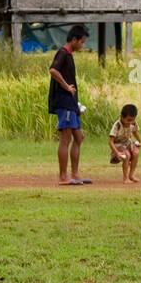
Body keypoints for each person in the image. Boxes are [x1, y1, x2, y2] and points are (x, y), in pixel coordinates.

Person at [49, 25, 90, 186]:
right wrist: (66, 87)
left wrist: (76, 104)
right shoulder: (63, 53)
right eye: (82, 42)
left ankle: (74, 173)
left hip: (71, 103)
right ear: (74, 40)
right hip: (64, 102)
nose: (82, 45)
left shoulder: (70, 55)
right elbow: (53, 70)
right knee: (66, 138)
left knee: (79, 137)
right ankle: (63, 176)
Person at [109, 104, 141, 184]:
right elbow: (110, 141)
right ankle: (125, 178)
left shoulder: (133, 123)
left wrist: (140, 142)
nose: (130, 122)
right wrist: (117, 153)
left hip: (127, 144)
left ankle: (131, 175)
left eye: (132, 120)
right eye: (128, 120)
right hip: (118, 146)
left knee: (136, 152)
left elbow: (135, 132)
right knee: (127, 155)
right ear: (122, 117)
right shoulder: (117, 125)